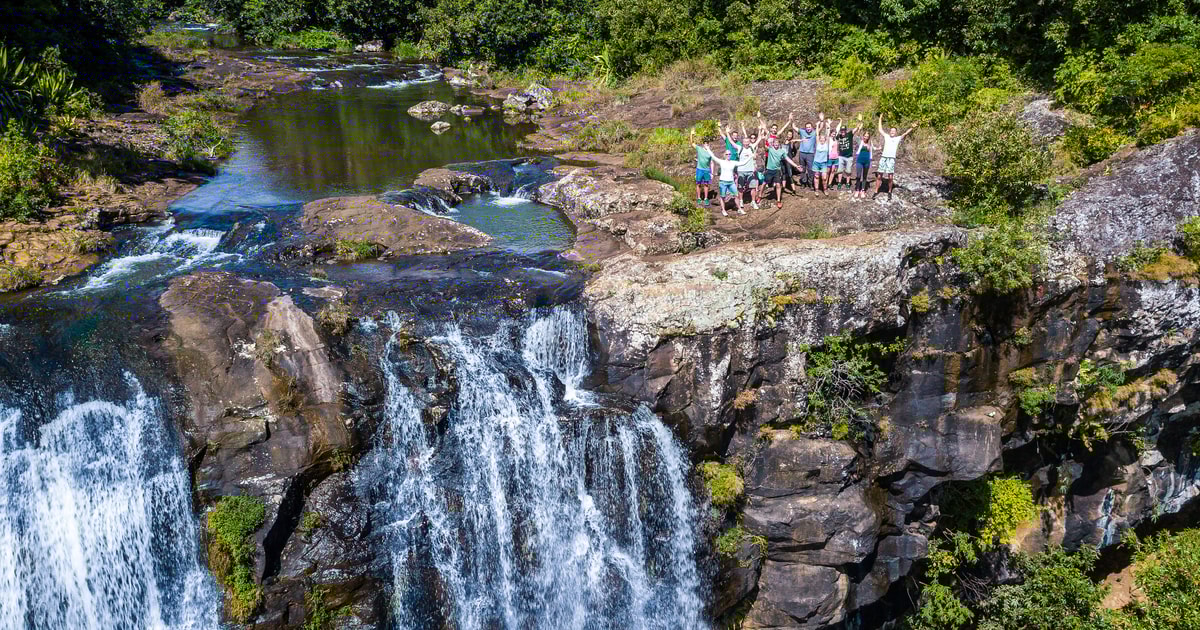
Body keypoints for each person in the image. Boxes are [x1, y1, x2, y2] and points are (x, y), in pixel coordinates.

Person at [873, 115, 918, 201]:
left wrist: (912, 127)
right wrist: (880, 118)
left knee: (890, 177)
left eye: (894, 131)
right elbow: (880, 129)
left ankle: (889, 191)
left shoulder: (898, 138)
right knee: (879, 176)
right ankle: (876, 191)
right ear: (889, 132)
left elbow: (905, 133)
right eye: (891, 130)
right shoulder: (886, 136)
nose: (892, 131)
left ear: (896, 132)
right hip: (884, 158)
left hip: (891, 159)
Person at [764, 137, 804, 209]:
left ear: (779, 144)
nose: (776, 145)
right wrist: (762, 131)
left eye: (777, 143)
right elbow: (765, 141)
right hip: (769, 170)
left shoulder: (782, 151)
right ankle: (760, 196)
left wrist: (796, 166)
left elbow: (788, 159)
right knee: (764, 183)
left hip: (777, 170)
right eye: (774, 143)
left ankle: (778, 200)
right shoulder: (770, 149)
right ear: (773, 144)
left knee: (778, 185)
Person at [709, 148, 742, 217]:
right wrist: (707, 149)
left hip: (731, 182)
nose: (728, 155)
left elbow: (742, 163)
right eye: (727, 154)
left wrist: (750, 156)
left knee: (736, 195)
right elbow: (713, 156)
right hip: (723, 182)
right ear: (724, 155)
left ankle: (740, 209)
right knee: (723, 197)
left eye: (729, 154)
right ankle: (723, 210)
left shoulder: (733, 162)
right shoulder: (722, 162)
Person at [691, 130, 714, 205]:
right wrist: (691, 135)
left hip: (707, 170)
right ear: (703, 145)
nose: (706, 145)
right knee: (698, 184)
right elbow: (692, 143)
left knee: (706, 184)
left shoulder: (710, 152)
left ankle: (706, 198)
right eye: (705, 144)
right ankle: (699, 198)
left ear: (709, 145)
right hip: (699, 169)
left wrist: (712, 173)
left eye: (707, 144)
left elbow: (712, 163)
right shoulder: (699, 149)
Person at [835, 119, 860, 190]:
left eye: (844, 130)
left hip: (849, 156)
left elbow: (855, 129)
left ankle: (848, 183)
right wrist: (840, 122)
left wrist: (859, 122)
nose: (843, 132)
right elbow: (836, 130)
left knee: (848, 171)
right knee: (840, 170)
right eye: (842, 130)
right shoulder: (838, 136)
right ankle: (839, 183)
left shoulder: (849, 134)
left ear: (846, 130)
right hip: (841, 156)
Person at [813, 118, 832, 196]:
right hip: (816, 163)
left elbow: (828, 134)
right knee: (816, 176)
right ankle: (816, 190)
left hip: (824, 163)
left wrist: (829, 125)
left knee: (824, 178)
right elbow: (817, 134)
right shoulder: (818, 143)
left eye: (823, 139)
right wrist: (817, 126)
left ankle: (825, 189)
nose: (822, 140)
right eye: (821, 139)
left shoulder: (826, 144)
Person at [853, 130, 875, 199]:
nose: (866, 137)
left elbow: (873, 150)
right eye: (865, 136)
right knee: (858, 176)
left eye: (867, 137)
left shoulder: (870, 144)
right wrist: (859, 128)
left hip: (867, 162)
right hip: (859, 161)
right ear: (863, 136)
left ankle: (863, 190)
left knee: (865, 176)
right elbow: (856, 136)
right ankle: (857, 190)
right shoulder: (860, 142)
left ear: (869, 138)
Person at [795, 118, 816, 190]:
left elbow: (821, 127)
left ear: (812, 127)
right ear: (805, 128)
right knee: (802, 168)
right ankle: (803, 182)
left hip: (810, 154)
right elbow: (794, 127)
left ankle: (810, 183)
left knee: (810, 169)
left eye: (809, 127)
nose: (808, 128)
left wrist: (821, 121)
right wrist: (791, 120)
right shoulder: (802, 131)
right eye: (807, 127)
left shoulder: (814, 132)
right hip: (802, 153)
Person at [783, 128, 799, 194]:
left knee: (790, 174)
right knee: (783, 173)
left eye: (790, 135)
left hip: (789, 159)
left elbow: (794, 151)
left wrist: (792, 156)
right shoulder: (783, 141)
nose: (789, 136)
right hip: (782, 159)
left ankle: (793, 189)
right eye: (788, 134)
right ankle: (783, 187)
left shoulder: (792, 142)